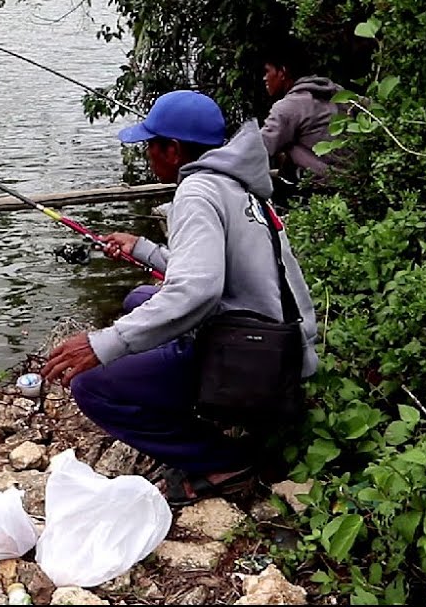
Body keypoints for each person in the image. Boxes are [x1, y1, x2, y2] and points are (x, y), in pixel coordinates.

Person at [42, 90, 319, 508]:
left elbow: (198, 288)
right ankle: (196, 399)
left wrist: (101, 345)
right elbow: (210, 271)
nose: (148, 154)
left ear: (172, 150)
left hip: (256, 364)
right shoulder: (238, 185)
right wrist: (143, 249)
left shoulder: (196, 193)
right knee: (141, 297)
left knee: (92, 386)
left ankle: (225, 462)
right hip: (284, 349)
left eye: (151, 145)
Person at [259, 43, 349, 203]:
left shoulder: (288, 107)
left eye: (267, 71)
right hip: (354, 179)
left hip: (325, 188)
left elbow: (257, 152)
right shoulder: (338, 92)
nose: (264, 78)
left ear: (283, 72)